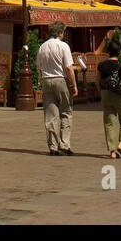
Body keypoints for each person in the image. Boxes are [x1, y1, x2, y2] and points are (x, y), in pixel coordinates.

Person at [37, 21, 77, 155]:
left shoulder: (42, 47)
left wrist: (41, 79)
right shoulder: (63, 46)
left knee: (50, 115)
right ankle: (64, 144)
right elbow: (69, 67)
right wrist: (74, 85)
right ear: (60, 33)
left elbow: (39, 67)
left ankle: (53, 146)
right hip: (61, 80)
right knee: (66, 111)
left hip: (47, 80)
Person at [98, 40, 121, 158]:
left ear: (108, 52)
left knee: (109, 122)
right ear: (119, 52)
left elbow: (97, 81)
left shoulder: (101, 65)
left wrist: (101, 92)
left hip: (106, 94)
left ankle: (112, 151)